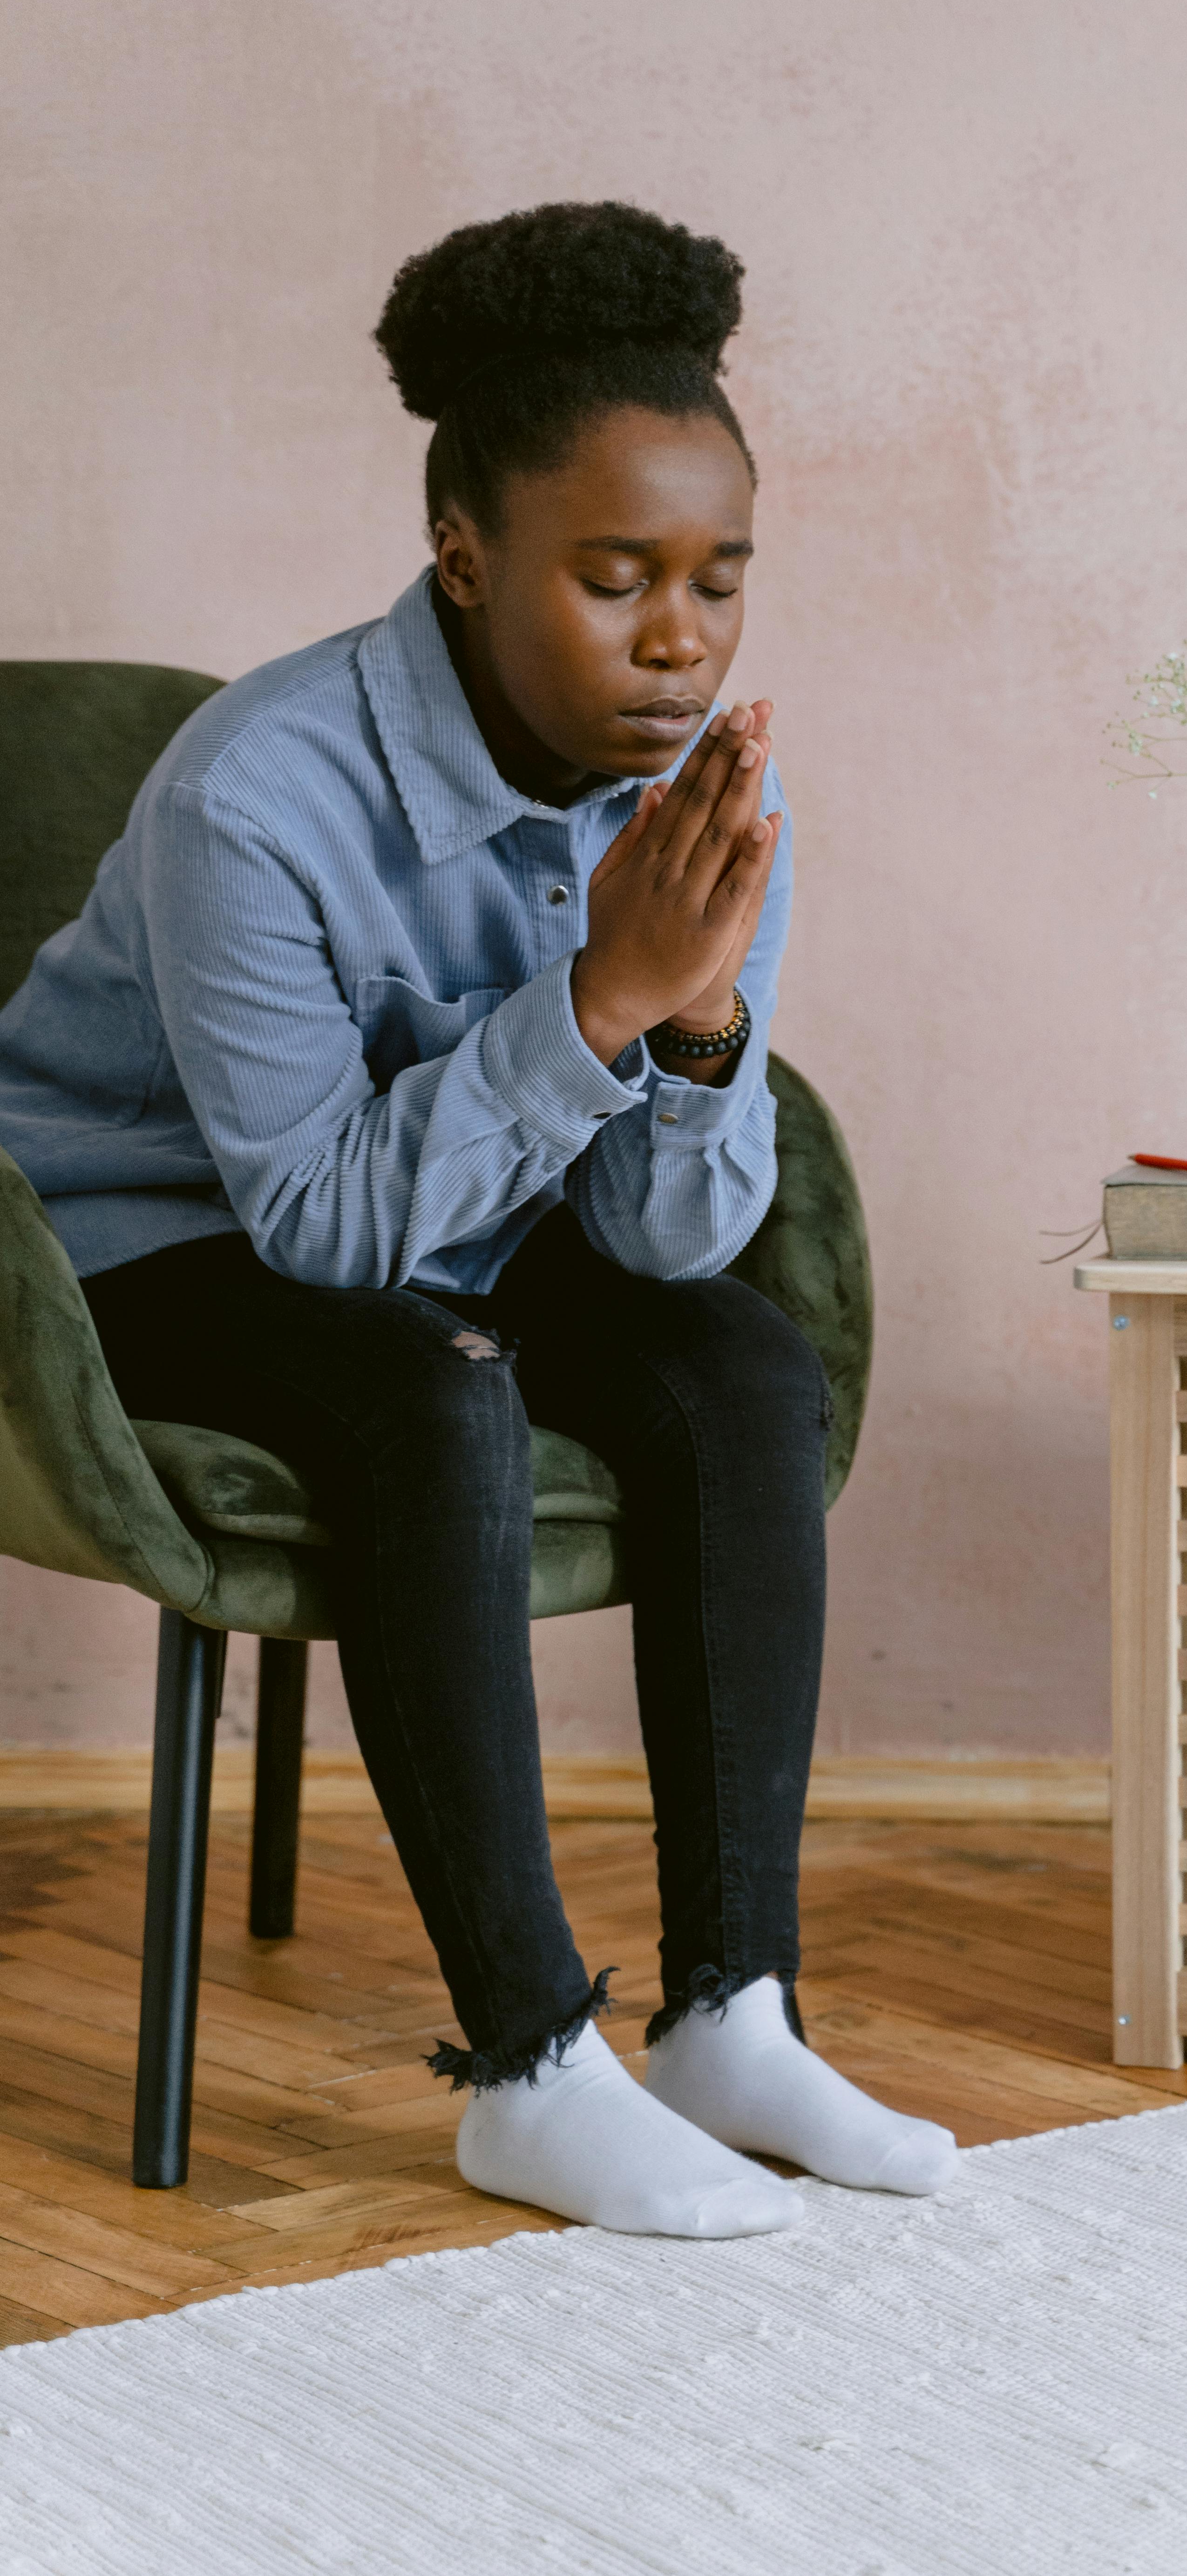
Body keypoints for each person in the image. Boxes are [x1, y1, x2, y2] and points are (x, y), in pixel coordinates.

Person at [0, 199, 958, 2238]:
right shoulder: (254, 790)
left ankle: (733, 2008)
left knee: (735, 1359)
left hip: (421, 1216)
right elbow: (328, 1227)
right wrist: (602, 995)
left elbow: (670, 1242)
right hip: (126, 1246)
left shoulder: (700, 798)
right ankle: (525, 2062)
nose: (676, 634)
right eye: (613, 579)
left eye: (716, 581)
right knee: (438, 1387)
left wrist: (693, 1026)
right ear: (465, 557)